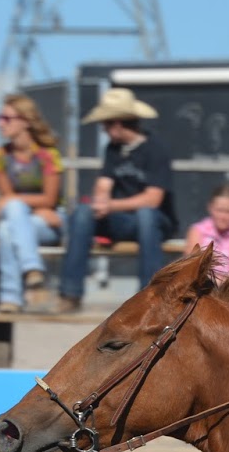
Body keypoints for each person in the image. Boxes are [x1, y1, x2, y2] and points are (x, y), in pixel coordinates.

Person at [56, 88, 176, 311]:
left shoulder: (157, 149)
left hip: (155, 223)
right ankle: (70, 293)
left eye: (106, 123)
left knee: (146, 215)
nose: (103, 129)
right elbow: (104, 184)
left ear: (118, 124)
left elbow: (153, 199)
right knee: (83, 211)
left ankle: (149, 296)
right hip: (123, 220)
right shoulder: (112, 149)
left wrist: (110, 205)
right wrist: (100, 203)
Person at [0, 93, 64, 312]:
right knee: (5, 226)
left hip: (49, 221)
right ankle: (30, 272)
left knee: (7, 224)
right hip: (26, 219)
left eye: (7, 118)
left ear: (26, 121)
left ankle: (11, 294)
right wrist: (22, 205)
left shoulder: (48, 155)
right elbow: (8, 197)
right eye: (0, 117)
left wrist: (17, 203)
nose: (1, 123)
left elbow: (49, 199)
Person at [184, 183, 229, 278]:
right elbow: (191, 266)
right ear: (210, 208)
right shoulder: (198, 231)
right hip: (204, 287)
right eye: (219, 210)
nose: (223, 217)